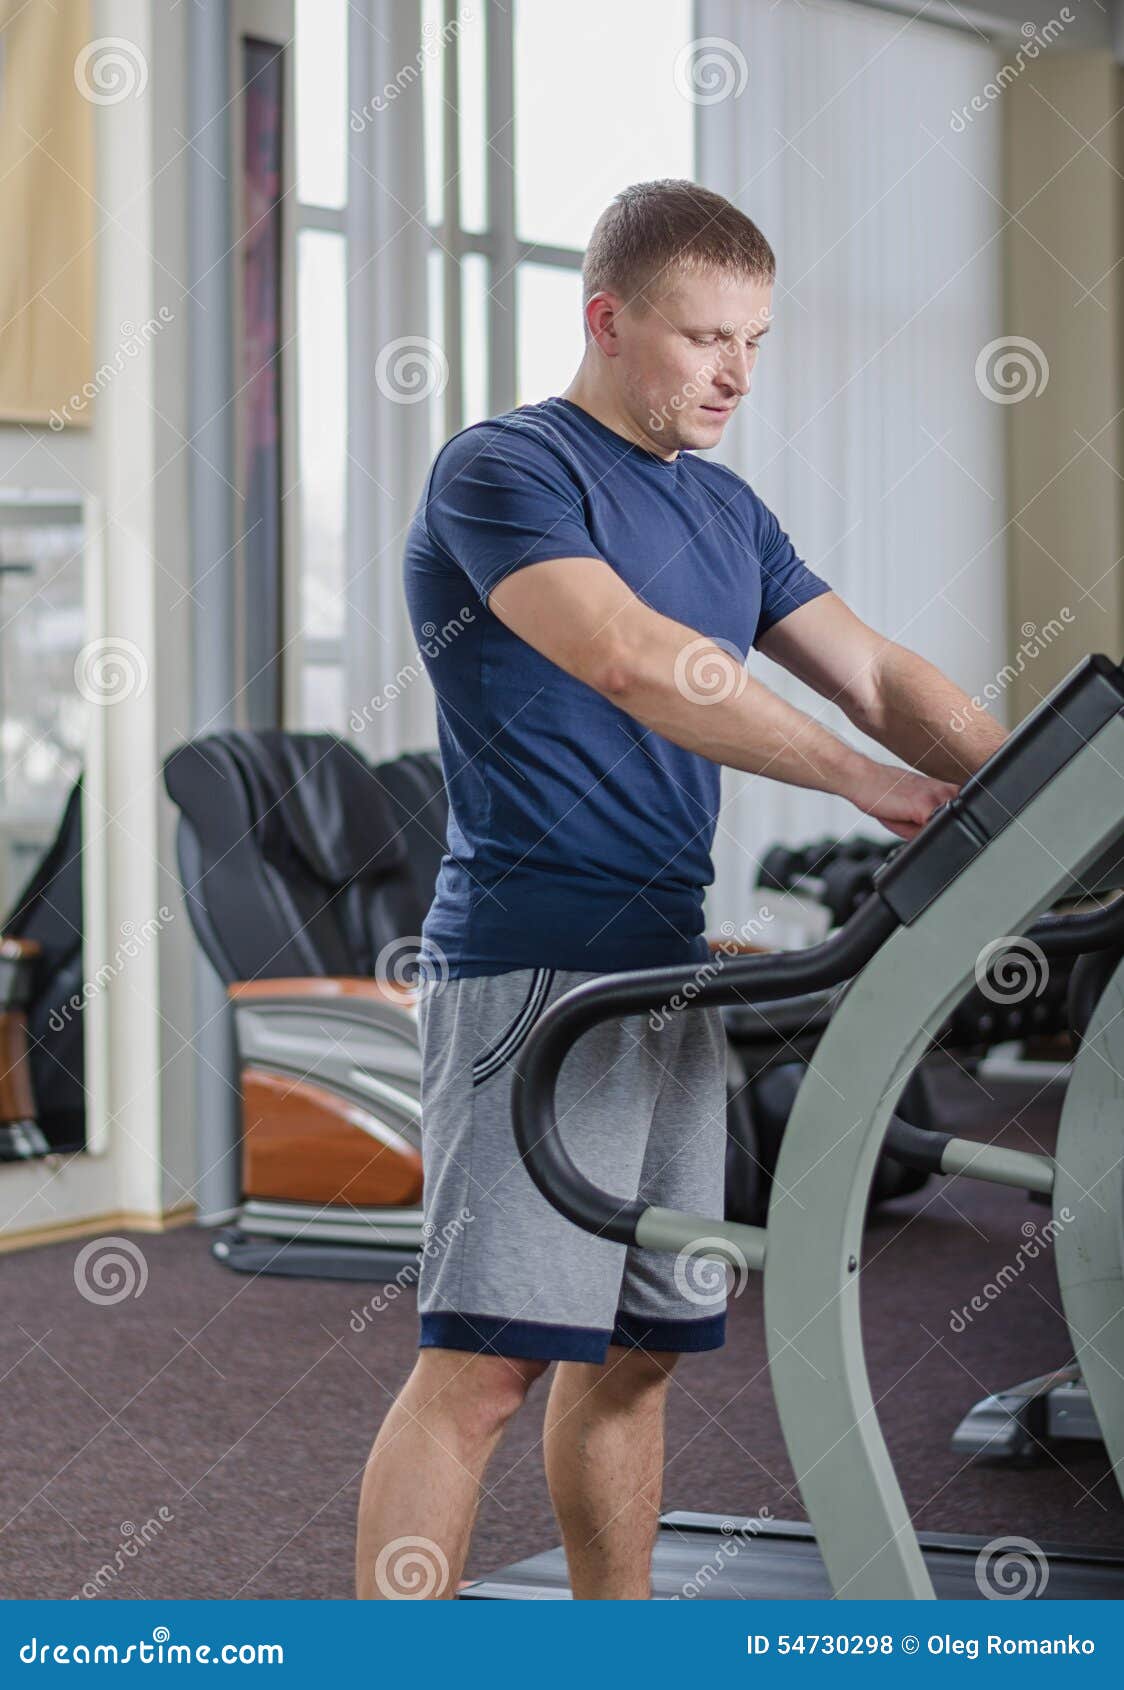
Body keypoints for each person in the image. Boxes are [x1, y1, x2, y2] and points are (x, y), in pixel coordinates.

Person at [355, 178, 1007, 1600]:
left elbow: (882, 675)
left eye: (756, 342)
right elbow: (631, 658)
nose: (736, 372)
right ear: (607, 318)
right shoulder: (506, 470)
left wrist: (1033, 780)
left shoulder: (726, 507)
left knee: (644, 1354)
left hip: (669, 971)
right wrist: (861, 781)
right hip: (534, 972)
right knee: (482, 1367)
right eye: (707, 336)